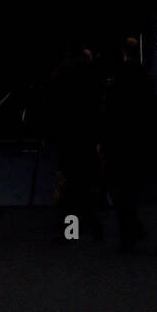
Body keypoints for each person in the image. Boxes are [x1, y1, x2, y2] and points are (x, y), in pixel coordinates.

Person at [100, 37, 155, 253]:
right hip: (136, 139)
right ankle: (133, 228)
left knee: (117, 187)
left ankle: (129, 232)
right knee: (129, 188)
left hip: (118, 140)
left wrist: (103, 140)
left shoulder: (117, 76)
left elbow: (108, 112)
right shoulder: (143, 75)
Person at [46, 42, 104, 241]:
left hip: (66, 134)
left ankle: (70, 227)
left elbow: (53, 106)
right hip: (86, 133)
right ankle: (89, 223)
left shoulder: (60, 72)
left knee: (66, 180)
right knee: (85, 179)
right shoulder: (91, 71)